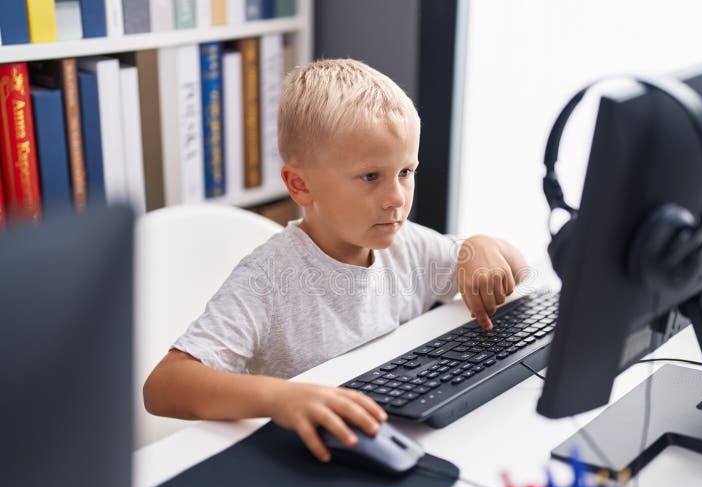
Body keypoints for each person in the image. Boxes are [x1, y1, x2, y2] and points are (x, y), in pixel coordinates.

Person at [144, 59, 529, 462]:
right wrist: (281, 398)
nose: (397, 197)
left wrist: (481, 245)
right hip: (301, 455)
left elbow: (516, 273)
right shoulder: (269, 277)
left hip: (381, 429)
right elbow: (164, 386)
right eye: (370, 177)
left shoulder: (407, 245)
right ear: (301, 185)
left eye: (405, 171)